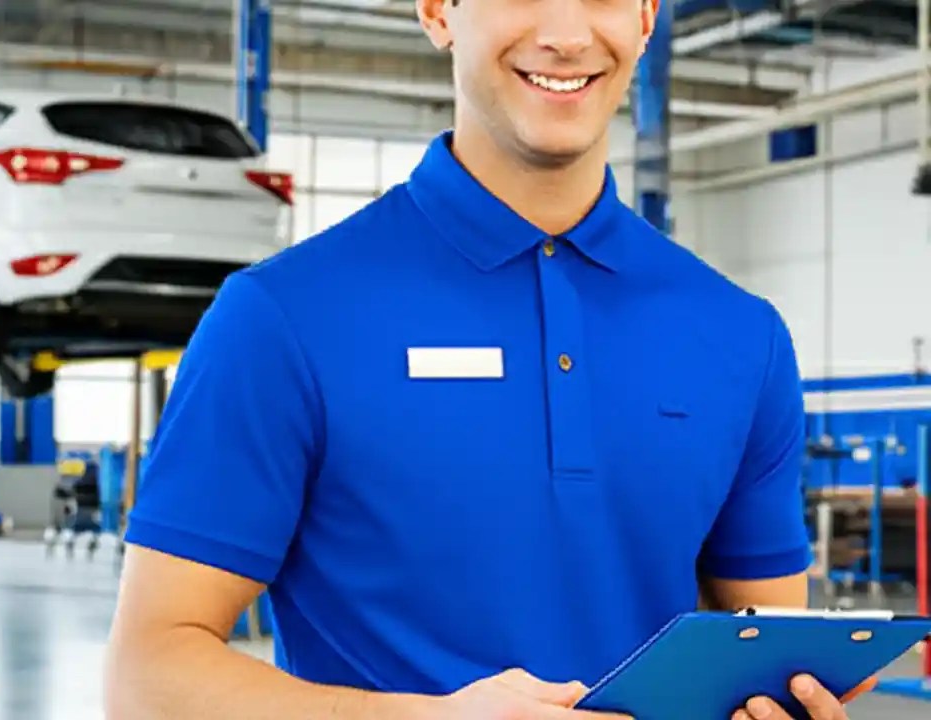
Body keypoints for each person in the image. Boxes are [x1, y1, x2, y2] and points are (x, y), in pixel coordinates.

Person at [104, 0, 877, 718]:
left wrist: (794, 693)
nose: (568, 35)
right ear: (440, 9)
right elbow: (147, 674)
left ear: (647, 17)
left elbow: (765, 650)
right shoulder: (283, 317)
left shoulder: (740, 334)